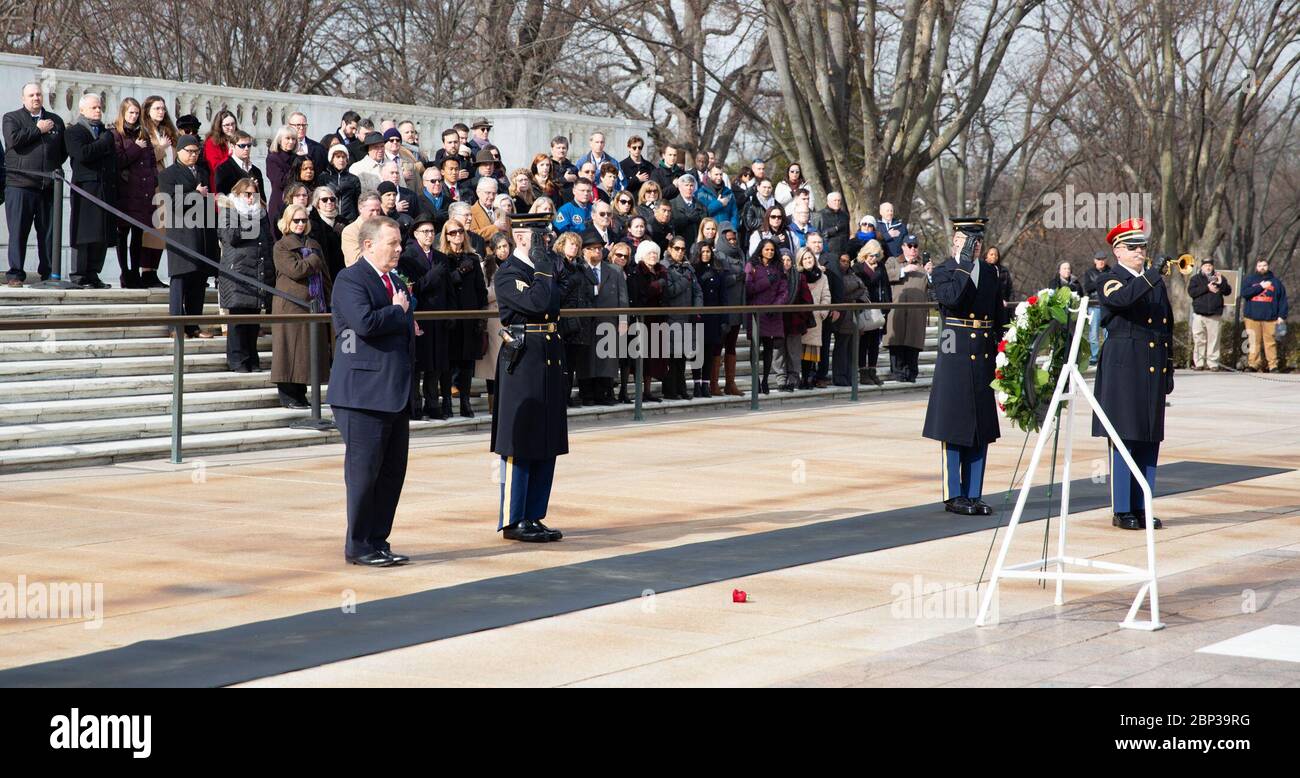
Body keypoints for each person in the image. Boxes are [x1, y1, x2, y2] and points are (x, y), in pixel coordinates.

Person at [328, 216, 414, 566]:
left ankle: (378, 540)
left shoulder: (395, 280)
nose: (399, 249)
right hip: (361, 395)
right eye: (392, 243)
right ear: (368, 245)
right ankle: (358, 544)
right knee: (364, 475)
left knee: (392, 473)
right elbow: (363, 324)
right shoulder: (351, 279)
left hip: (394, 392)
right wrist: (396, 311)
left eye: (399, 243)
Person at [1091, 217, 1173, 531]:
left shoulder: (1153, 282)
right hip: (1123, 367)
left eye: (1142, 246)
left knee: (1149, 437)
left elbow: (1165, 325)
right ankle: (1123, 508)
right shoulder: (1110, 278)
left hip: (1151, 364)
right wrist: (1152, 275)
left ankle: (1142, 505)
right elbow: (1121, 300)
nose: (1140, 251)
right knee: (1124, 437)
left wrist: (1168, 367)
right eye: (1132, 247)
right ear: (1118, 251)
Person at [491, 216, 569, 542]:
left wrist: (546, 269)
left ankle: (534, 514)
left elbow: (562, 298)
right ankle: (513, 519)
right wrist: (543, 269)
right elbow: (537, 302)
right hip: (522, 360)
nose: (545, 242)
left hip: (548, 355)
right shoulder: (508, 272)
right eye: (539, 237)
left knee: (546, 438)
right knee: (520, 441)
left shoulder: (543, 268)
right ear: (522, 237)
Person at [922, 217, 1006, 517]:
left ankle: (973, 493)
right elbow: (952, 299)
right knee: (954, 424)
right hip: (955, 352)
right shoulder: (944, 271)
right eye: (970, 240)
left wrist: (1005, 350)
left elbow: (998, 316)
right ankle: (954, 494)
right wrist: (965, 265)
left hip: (982, 353)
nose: (976, 245)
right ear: (957, 241)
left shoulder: (991, 272)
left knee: (981, 426)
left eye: (979, 240)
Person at [5, 83, 69, 286]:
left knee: (49, 233)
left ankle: (49, 273)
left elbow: (62, 152)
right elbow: (13, 140)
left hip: (48, 186)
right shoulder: (12, 118)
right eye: (31, 95)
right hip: (19, 185)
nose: (36, 98)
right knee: (18, 232)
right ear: (23, 98)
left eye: (38, 94)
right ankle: (15, 274)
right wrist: (38, 129)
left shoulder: (56, 120)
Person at [271, 203, 332, 408]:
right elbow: (295, 270)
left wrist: (329, 297)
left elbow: (324, 275)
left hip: (314, 304)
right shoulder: (281, 246)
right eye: (296, 220)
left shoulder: (313, 244)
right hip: (290, 305)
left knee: (306, 353)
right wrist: (313, 260)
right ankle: (288, 396)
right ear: (287, 222)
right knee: (289, 351)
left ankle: (301, 394)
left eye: (303, 220)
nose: (300, 224)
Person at [158, 135, 217, 337]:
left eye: (196, 151)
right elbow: (171, 202)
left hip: (202, 232)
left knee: (199, 281)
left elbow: (208, 201)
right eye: (189, 151)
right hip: (181, 234)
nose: (193, 155)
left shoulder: (202, 172)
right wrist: (196, 194)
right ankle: (176, 327)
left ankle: (193, 325)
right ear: (179, 151)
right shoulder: (168, 174)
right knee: (180, 280)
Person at [63, 94, 119, 289]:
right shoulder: (74, 131)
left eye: (99, 107)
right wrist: (102, 143)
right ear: (82, 110)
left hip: (105, 188)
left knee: (101, 234)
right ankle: (79, 275)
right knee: (83, 233)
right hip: (85, 189)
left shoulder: (105, 132)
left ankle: (93, 273)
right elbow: (82, 154)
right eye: (94, 107)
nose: (98, 111)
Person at [217, 179, 273, 372]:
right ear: (237, 194)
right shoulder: (229, 211)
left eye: (253, 194)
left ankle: (252, 359)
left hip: (257, 272)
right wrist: (250, 219)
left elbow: (267, 242)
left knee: (253, 320)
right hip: (237, 273)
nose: (251, 198)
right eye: (246, 194)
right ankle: (237, 360)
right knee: (238, 321)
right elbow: (230, 237)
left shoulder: (261, 214)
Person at [399, 215, 450, 420]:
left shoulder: (441, 257)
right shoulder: (408, 257)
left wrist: (451, 313)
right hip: (420, 315)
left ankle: (433, 403)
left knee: (435, 363)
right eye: (425, 231)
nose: (429, 235)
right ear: (416, 234)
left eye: (431, 231)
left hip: (439, 316)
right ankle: (415, 405)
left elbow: (449, 289)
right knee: (418, 362)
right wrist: (433, 274)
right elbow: (413, 288)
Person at [441, 219, 489, 417]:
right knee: (449, 361)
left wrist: (482, 317)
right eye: (452, 233)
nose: (457, 235)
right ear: (446, 236)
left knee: (467, 362)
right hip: (450, 315)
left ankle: (465, 402)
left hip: (470, 315)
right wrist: (460, 271)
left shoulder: (473, 258)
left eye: (460, 231)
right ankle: (446, 402)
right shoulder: (442, 258)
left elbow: (481, 289)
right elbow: (443, 284)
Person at [110, 97, 158, 289]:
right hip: (125, 191)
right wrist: (136, 147)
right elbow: (118, 160)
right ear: (123, 113)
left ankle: (135, 272)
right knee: (122, 234)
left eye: (137, 113)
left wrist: (154, 179)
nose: (134, 116)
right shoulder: (115, 133)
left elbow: (152, 160)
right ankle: (125, 273)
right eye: (131, 112)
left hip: (143, 192)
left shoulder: (143, 133)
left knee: (138, 234)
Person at [578, 229, 626, 404]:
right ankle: (587, 394)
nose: (597, 251)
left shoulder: (615, 270)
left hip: (608, 321)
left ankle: (605, 393)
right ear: (584, 251)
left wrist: (623, 320)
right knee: (586, 360)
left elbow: (623, 297)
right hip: (586, 323)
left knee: (607, 360)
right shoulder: (579, 269)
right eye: (593, 248)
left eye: (599, 248)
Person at [474, 233, 512, 414]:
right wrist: (502, 291)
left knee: (510, 361)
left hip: (511, 317)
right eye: (500, 247)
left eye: (506, 246)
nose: (503, 250)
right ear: (493, 249)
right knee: (493, 364)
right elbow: (482, 293)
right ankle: (493, 402)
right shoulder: (486, 266)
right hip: (493, 318)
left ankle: (508, 400)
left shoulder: (514, 265)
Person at [662, 235, 702, 400]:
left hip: (687, 317)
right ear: (670, 249)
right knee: (672, 356)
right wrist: (685, 279)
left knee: (682, 355)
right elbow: (670, 291)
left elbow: (698, 291)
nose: (680, 252)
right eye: (676, 248)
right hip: (671, 316)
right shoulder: (664, 267)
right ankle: (671, 390)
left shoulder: (688, 267)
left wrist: (697, 310)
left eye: (683, 249)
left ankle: (681, 388)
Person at [745, 238, 787, 394]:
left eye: (772, 250)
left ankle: (765, 380)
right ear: (761, 250)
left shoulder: (778, 267)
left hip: (772, 313)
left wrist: (776, 306)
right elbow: (749, 288)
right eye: (767, 249)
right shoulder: (752, 265)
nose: (770, 252)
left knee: (769, 348)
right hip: (756, 312)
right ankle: (755, 380)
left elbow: (784, 291)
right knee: (755, 347)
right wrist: (766, 281)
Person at [714, 221, 746, 395]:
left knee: (731, 345)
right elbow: (720, 280)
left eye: (734, 239)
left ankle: (730, 383)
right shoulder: (718, 255)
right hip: (723, 307)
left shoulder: (740, 254)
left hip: (738, 305)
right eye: (729, 239)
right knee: (718, 345)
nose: (733, 242)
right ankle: (713, 383)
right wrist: (736, 277)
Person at [1241, 257, 1289, 373]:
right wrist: (1261, 287)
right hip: (1252, 317)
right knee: (1253, 342)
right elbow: (1244, 293)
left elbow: (1282, 300)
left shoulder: (1276, 282)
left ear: (1268, 266)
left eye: (1264, 265)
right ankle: (1253, 364)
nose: (1262, 268)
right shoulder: (1250, 280)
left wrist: (1281, 316)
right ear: (1256, 267)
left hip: (1270, 318)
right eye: (1260, 266)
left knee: (1270, 343)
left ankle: (1272, 365)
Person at [854, 239, 892, 385]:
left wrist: (887, 306)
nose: (873, 258)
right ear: (865, 254)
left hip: (878, 308)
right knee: (864, 342)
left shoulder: (881, 266)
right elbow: (865, 285)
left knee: (875, 343)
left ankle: (872, 371)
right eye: (870, 255)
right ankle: (863, 372)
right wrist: (875, 273)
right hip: (864, 308)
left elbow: (886, 286)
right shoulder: (858, 267)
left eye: (876, 255)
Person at [1185, 259, 1231, 371]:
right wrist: (1207, 288)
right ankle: (1199, 363)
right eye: (1206, 265)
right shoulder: (1195, 279)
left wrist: (1221, 283)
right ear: (1202, 267)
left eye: (1210, 265)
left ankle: (1213, 364)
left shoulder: (1219, 278)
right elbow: (1192, 292)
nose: (1208, 267)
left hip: (1214, 315)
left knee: (1213, 341)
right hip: (1199, 315)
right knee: (1199, 340)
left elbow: (1228, 291)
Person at [831, 252, 868, 386]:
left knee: (852, 348)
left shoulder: (853, 275)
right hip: (841, 316)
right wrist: (853, 294)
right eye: (842, 261)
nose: (845, 263)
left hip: (853, 315)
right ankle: (839, 377)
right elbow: (842, 291)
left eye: (847, 261)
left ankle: (850, 376)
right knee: (841, 347)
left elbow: (863, 289)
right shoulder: (834, 275)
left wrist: (854, 296)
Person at [797, 247, 830, 389]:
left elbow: (826, 296)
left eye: (810, 257)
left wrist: (823, 312)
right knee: (798, 349)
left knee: (810, 351)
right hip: (800, 318)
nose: (808, 260)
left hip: (815, 318)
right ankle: (798, 378)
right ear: (800, 261)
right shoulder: (797, 275)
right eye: (804, 258)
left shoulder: (822, 277)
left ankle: (807, 378)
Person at [309, 186, 346, 280]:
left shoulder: (342, 221)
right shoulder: (314, 222)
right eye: (324, 200)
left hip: (342, 268)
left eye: (332, 199)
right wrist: (334, 233)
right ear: (317, 203)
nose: (329, 202)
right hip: (324, 269)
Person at [320, 144, 361, 224]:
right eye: (338, 157)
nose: (341, 160)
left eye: (343, 157)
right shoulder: (324, 178)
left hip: (350, 220)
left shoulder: (354, 179)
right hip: (329, 219)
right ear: (332, 160)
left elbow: (358, 201)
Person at [1082, 250, 1109, 365]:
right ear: (1094, 261)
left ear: (1106, 260)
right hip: (1094, 305)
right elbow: (1087, 288)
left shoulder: (1111, 271)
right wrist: (1100, 281)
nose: (1101, 262)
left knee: (1108, 332)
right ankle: (1094, 356)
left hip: (1107, 306)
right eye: (1099, 259)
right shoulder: (1089, 273)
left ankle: (1107, 355)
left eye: (1103, 259)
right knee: (1093, 333)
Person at [341, 191, 382, 267]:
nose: (375, 214)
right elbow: (355, 261)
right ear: (360, 208)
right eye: (372, 210)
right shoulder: (350, 231)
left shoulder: (383, 228)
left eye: (378, 210)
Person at [202, 109, 237, 192]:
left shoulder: (238, 139)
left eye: (233, 124)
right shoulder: (211, 142)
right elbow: (215, 167)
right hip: (220, 185)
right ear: (219, 126)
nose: (231, 128)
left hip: (237, 183)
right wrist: (229, 155)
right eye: (227, 125)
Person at [814, 192, 850, 258]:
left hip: (843, 252)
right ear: (828, 202)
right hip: (827, 252)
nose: (837, 203)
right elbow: (817, 235)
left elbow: (847, 234)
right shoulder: (819, 215)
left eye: (839, 200)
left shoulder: (845, 215)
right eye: (835, 200)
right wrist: (835, 229)